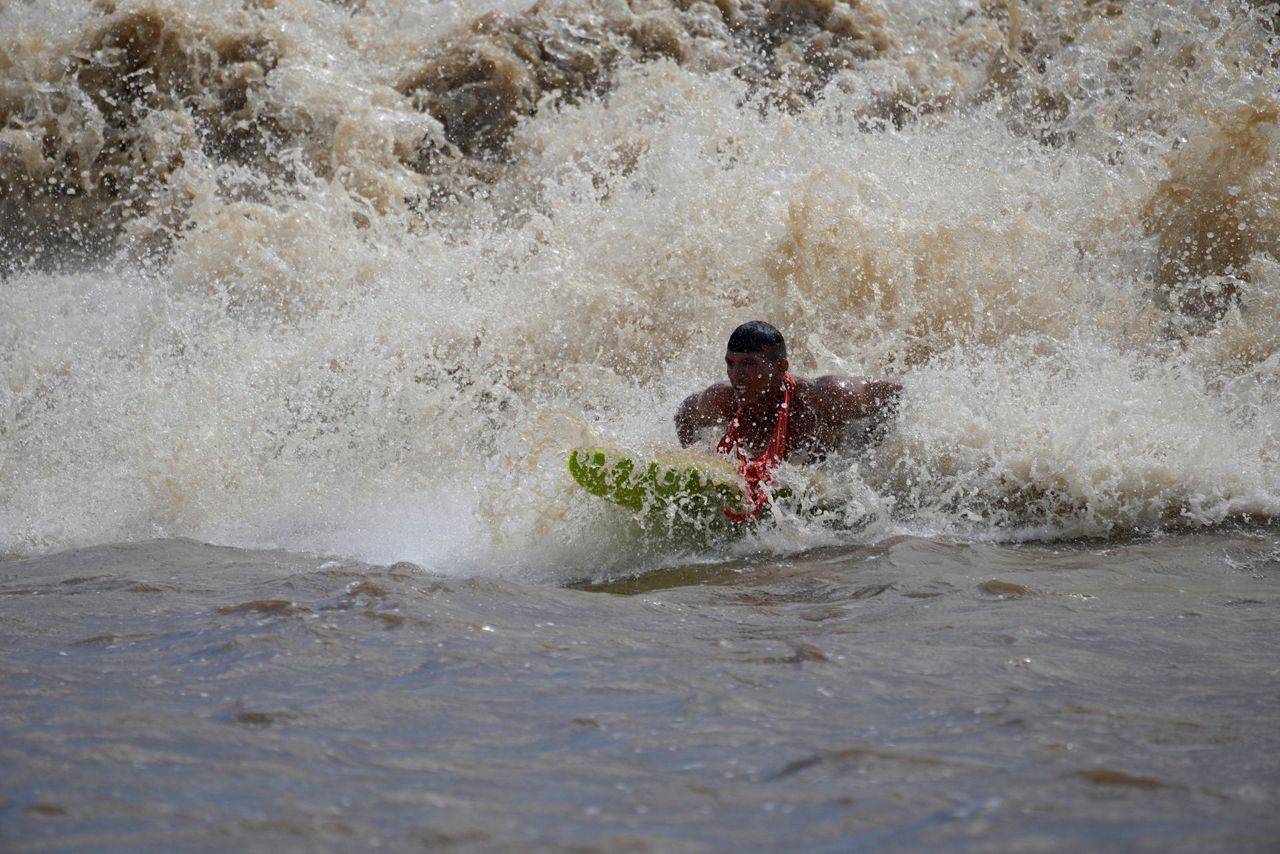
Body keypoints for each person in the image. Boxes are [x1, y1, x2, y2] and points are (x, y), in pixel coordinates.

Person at [675, 321, 901, 519]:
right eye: (731, 363)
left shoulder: (825, 397)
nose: (736, 376)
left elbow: (894, 392)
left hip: (837, 471)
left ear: (780, 367)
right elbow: (683, 415)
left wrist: (871, 450)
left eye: (748, 364)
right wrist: (703, 460)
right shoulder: (720, 400)